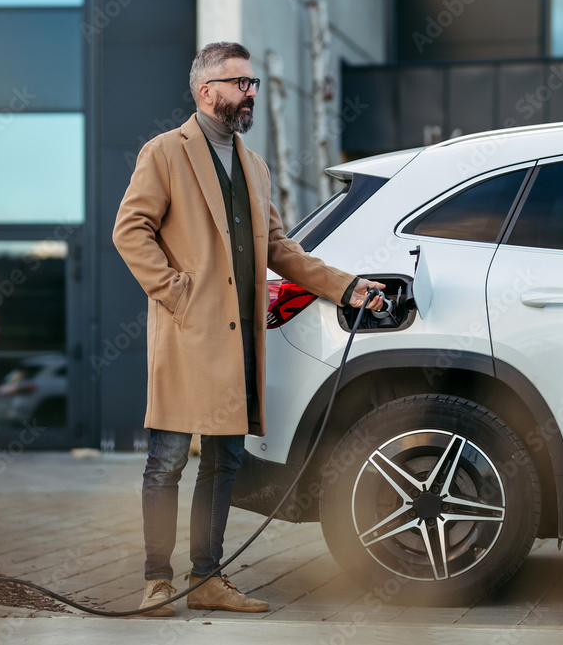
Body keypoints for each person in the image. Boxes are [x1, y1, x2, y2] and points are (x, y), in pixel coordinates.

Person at [112, 41, 383, 617]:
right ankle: (157, 581)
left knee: (225, 461)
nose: (251, 93)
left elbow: (280, 249)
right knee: (167, 461)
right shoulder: (164, 153)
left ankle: (206, 578)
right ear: (207, 91)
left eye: (254, 83)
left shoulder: (256, 166)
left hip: (241, 343)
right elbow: (130, 230)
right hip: (188, 337)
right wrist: (177, 293)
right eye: (241, 83)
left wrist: (346, 286)